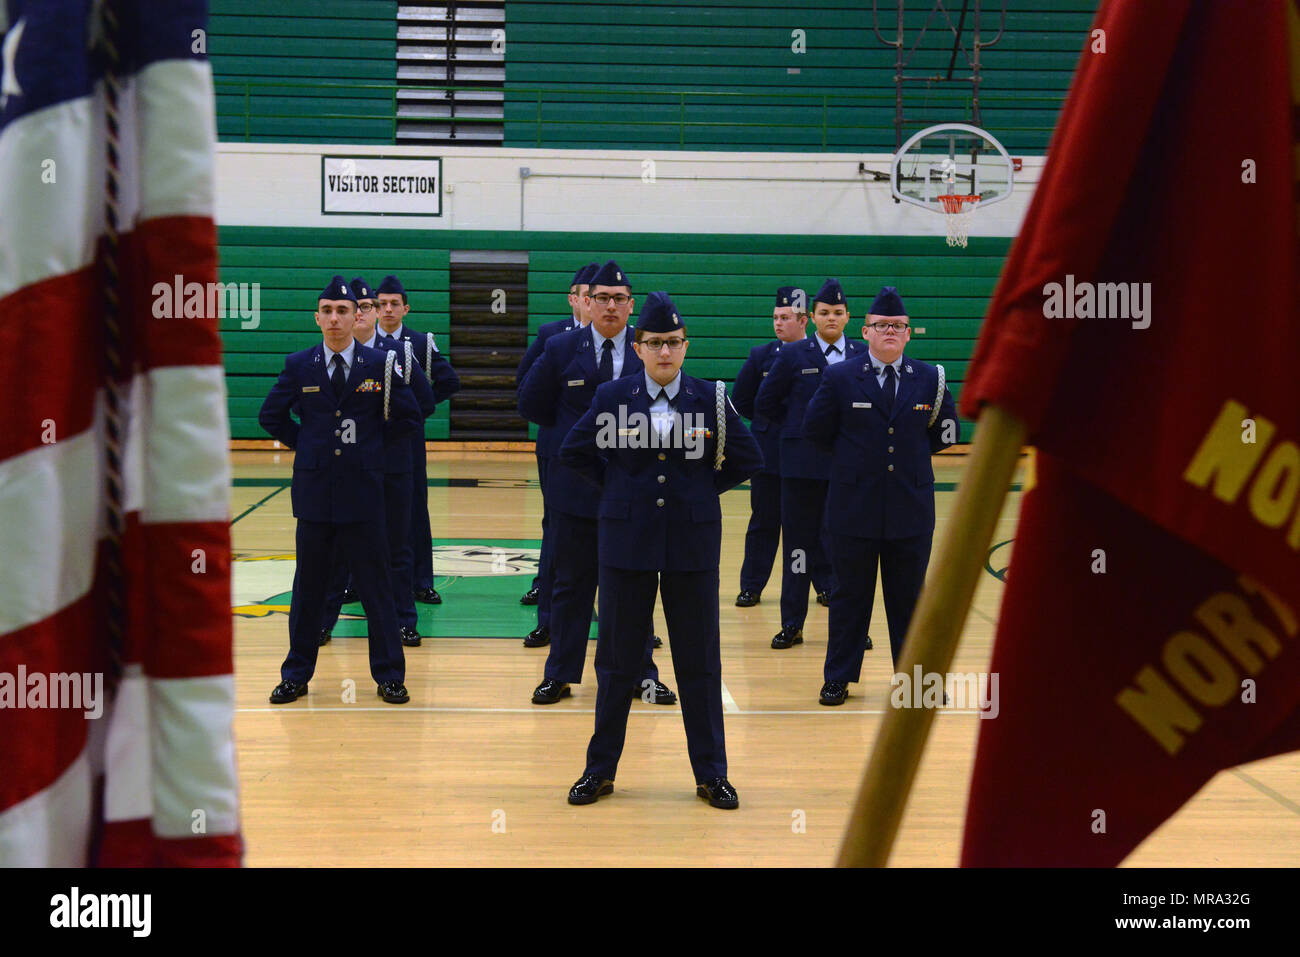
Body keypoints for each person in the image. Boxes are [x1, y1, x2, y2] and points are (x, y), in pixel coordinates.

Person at [559, 292, 763, 808]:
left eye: (673, 343)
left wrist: (699, 493)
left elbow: (747, 457)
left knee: (700, 663)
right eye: (654, 343)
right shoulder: (612, 397)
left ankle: (711, 774)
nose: (665, 352)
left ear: (685, 346)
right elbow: (573, 451)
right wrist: (618, 490)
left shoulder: (711, 398)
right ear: (639, 347)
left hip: (691, 546)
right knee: (616, 663)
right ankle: (599, 770)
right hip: (625, 543)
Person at [517, 260, 675, 706]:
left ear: (631, 306)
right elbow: (532, 403)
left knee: (637, 585)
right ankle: (561, 674)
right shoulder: (562, 347)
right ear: (587, 302)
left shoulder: (651, 350)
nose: (610, 306)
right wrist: (575, 440)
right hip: (576, 492)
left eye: (619, 299)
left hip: (636, 490)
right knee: (572, 585)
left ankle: (643, 674)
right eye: (602, 298)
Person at [259, 276, 422, 705]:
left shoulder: (379, 366)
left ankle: (389, 676)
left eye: (343, 311)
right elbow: (270, 415)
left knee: (376, 589)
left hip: (364, 496)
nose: (335, 318)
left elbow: (409, 419)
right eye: (327, 311)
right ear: (317, 318)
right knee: (308, 590)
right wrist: (306, 444)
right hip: (314, 497)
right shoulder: (300, 365)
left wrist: (371, 450)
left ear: (357, 316)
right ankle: (296, 675)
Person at [803, 286, 957, 705]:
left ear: (908, 335)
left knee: (910, 600)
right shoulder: (839, 376)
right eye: (882, 325)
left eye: (898, 326)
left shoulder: (930, 378)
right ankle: (838, 676)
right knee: (849, 597)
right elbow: (815, 430)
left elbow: (947, 432)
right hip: (854, 509)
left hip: (911, 507)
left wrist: (908, 458)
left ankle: (916, 680)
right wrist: (856, 462)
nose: (890, 331)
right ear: (866, 331)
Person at [317, 277, 440, 648]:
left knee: (397, 547)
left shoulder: (396, 355)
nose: (353, 316)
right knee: (338, 550)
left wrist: (384, 438)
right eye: (333, 310)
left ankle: (403, 620)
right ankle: (324, 622)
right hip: (347, 472)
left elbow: (424, 404)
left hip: (392, 468)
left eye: (361, 307)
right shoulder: (325, 360)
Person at [754, 278, 864, 649]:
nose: (830, 318)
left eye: (837, 313)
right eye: (823, 313)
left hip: (847, 470)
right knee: (798, 548)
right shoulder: (793, 355)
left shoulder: (862, 355)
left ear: (848, 317)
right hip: (800, 470)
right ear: (812, 317)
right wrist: (799, 429)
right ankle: (792, 623)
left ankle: (853, 627)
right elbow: (766, 403)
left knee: (849, 549)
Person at [515, 261, 599, 643]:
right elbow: (527, 387)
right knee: (558, 530)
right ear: (575, 300)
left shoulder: (631, 342)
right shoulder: (553, 336)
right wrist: (562, 427)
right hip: (558, 449)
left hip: (614, 459)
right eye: (587, 296)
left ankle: (632, 628)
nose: (593, 303)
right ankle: (548, 611)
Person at [373, 275, 461, 607]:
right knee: (365, 508)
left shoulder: (419, 343)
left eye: (395, 303)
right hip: (370, 439)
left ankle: (422, 581)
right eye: (382, 303)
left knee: (414, 509)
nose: (388, 309)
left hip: (407, 438)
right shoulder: (363, 341)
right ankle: (356, 580)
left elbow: (449, 381)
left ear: (405, 308)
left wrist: (415, 411)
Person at [730, 286, 808, 607]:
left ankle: (822, 584)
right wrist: (770, 423)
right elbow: (742, 400)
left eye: (785, 317)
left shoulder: (817, 356)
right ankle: (752, 585)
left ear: (804, 320)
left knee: (806, 529)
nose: (778, 323)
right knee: (763, 522)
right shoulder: (761, 356)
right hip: (769, 453)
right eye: (776, 317)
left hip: (807, 457)